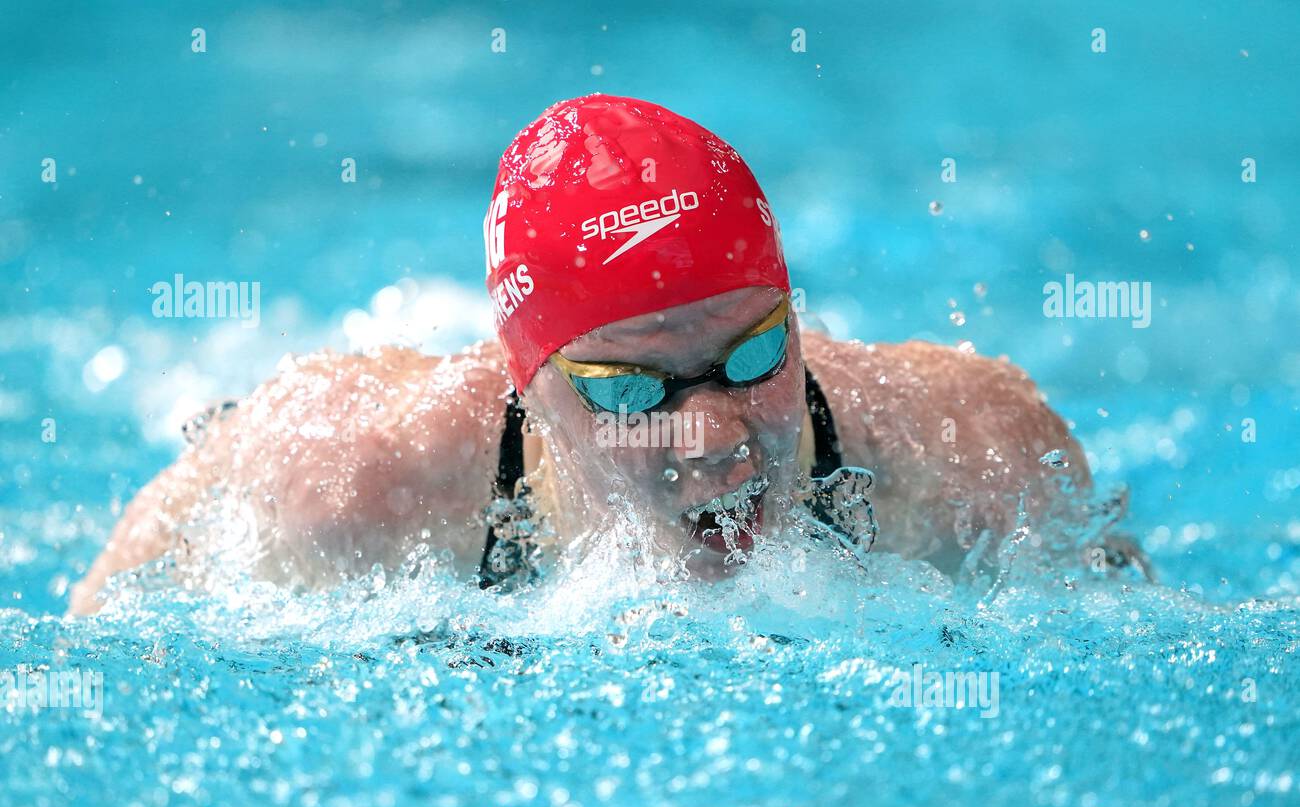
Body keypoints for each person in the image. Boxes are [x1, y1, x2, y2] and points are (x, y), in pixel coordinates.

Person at [70, 93, 1101, 616]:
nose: (712, 436)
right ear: (528, 380)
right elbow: (108, 623)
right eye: (629, 387)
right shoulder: (349, 483)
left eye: (754, 356)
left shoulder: (979, 457)